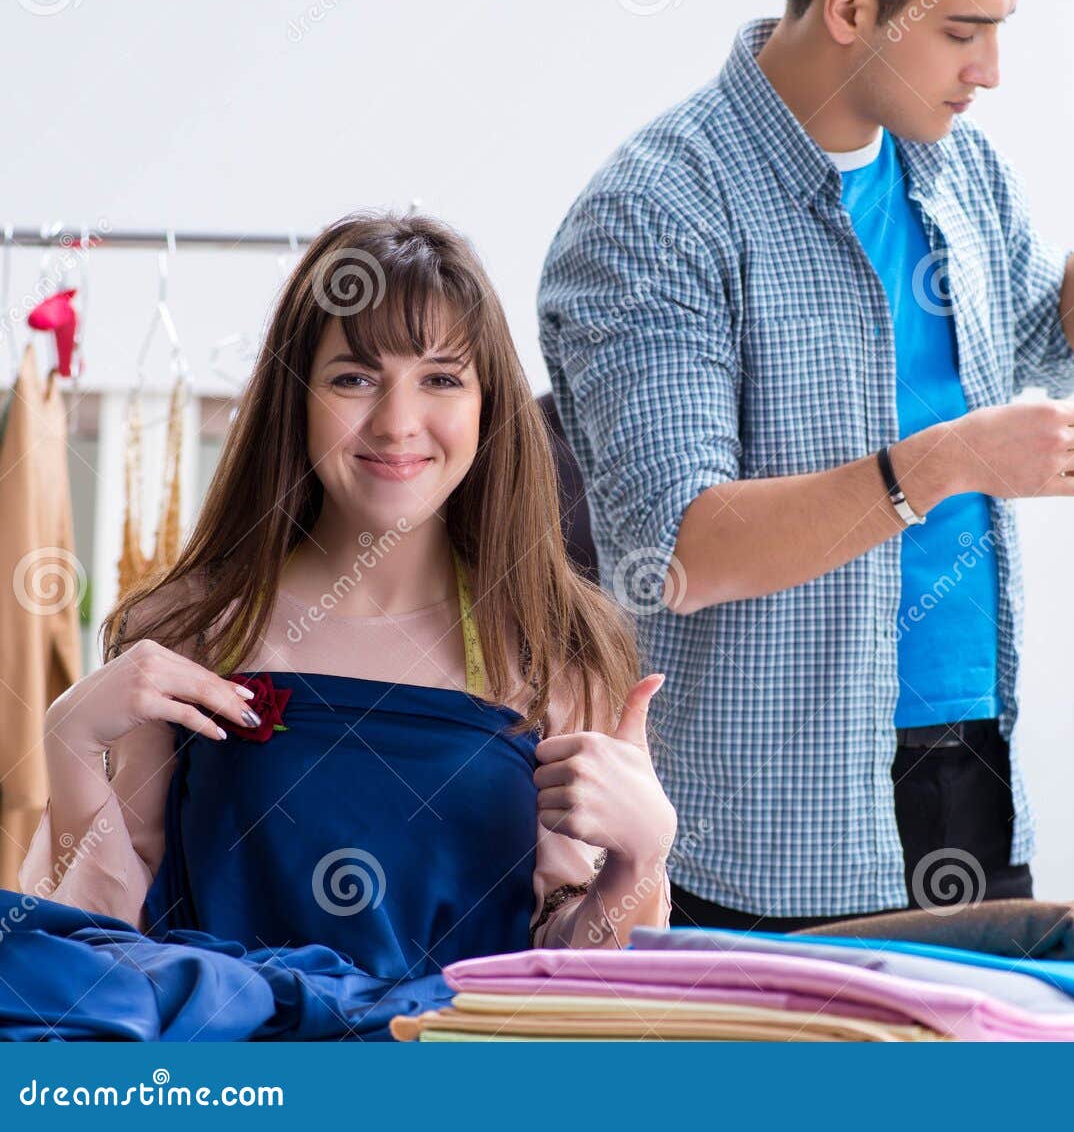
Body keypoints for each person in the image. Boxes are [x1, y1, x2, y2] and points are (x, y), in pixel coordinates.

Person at [538, 0, 1074, 930]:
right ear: (848, 8)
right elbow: (675, 552)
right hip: (769, 816)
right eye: (962, 32)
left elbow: (1043, 335)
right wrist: (945, 463)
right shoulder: (654, 212)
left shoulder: (954, 166)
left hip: (967, 757)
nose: (991, 70)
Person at [5, 212, 676, 1041]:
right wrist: (70, 750)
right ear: (298, 396)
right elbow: (102, 967)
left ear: (487, 403)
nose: (397, 423)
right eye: (356, 378)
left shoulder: (554, 651)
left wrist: (637, 862)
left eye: (440, 379)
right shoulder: (185, 634)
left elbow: (572, 1002)